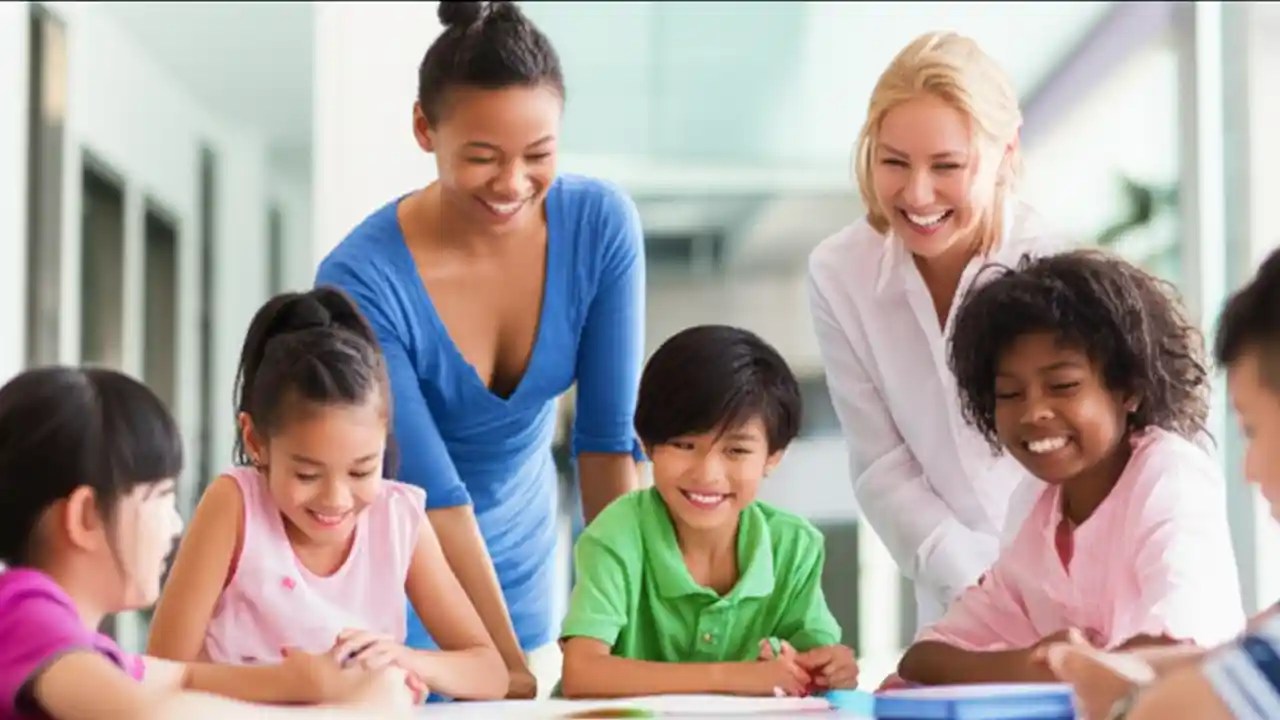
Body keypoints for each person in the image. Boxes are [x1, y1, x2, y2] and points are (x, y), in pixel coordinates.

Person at [313, 0, 645, 697]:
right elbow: (430, 491)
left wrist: (619, 635)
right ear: (423, 130)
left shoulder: (602, 227)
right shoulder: (360, 282)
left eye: (539, 155)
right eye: (484, 158)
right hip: (397, 582)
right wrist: (506, 670)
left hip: (526, 568)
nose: (514, 184)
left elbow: (608, 446)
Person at [892, 250, 1244, 686]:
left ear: (1129, 390)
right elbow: (925, 659)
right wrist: (1036, 665)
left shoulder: (1168, 476)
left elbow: (1182, 648)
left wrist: (1061, 667)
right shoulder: (1038, 505)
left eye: (1063, 386)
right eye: (1009, 394)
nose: (1034, 411)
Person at [146, 288, 507, 701]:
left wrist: (403, 659)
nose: (336, 499)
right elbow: (158, 671)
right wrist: (291, 685)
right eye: (307, 473)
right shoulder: (235, 506)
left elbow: (490, 673)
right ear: (255, 441)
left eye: (361, 470)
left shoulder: (398, 519)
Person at [0, 366, 418, 720]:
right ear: (87, 516)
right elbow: (152, 716)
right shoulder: (24, 614)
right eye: (160, 497)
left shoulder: (73, 643)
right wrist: (362, 711)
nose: (175, 525)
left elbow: (180, 676)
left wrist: (309, 680)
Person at [557, 325, 858, 699]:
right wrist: (731, 676)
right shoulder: (616, 535)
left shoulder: (793, 547)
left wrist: (831, 668)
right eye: (684, 444)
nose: (707, 474)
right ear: (647, 444)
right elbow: (582, 673)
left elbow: (811, 664)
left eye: (736, 451)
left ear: (774, 456)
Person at [1045, 247, 1280, 720]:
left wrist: (1130, 701)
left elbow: (1193, 707)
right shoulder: (1036, 505)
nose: (1249, 470)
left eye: (1252, 429)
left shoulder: (1172, 475)